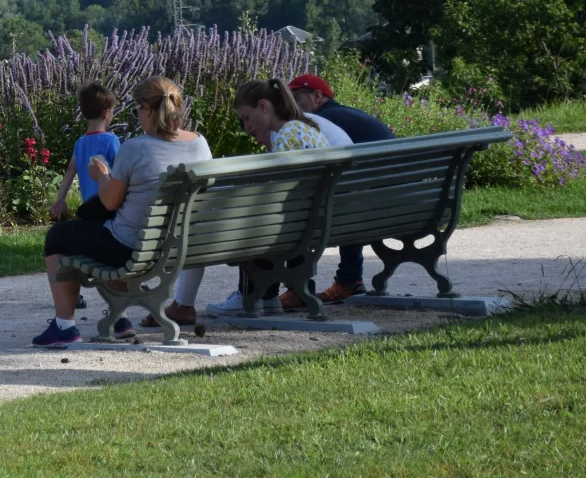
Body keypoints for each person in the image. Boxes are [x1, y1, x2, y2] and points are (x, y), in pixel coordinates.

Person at [32, 77, 211, 346]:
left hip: (133, 246)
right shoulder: (200, 143)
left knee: (58, 236)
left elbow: (110, 203)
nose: (136, 116)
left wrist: (102, 175)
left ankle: (64, 325)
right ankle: (119, 318)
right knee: (94, 230)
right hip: (183, 243)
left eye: (136, 110)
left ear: (147, 109)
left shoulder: (136, 147)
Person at [202, 78, 333, 318]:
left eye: (247, 117)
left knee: (248, 217)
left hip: (296, 226)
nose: (246, 125)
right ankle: (269, 297)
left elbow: (275, 194)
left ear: (264, 106)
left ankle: (248, 295)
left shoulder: (287, 134)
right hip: (313, 220)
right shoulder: (304, 127)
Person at [284, 73, 397, 307]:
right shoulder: (348, 114)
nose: (291, 105)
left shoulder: (320, 121)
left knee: (301, 210)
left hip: (370, 207)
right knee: (349, 198)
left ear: (317, 96)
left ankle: (303, 287)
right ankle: (349, 280)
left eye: (295, 97)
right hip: (400, 205)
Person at [50, 83, 120, 221]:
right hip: (109, 205)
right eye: (113, 110)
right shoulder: (111, 140)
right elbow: (122, 170)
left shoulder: (80, 142)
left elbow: (70, 172)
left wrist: (60, 198)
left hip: (89, 206)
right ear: (106, 113)